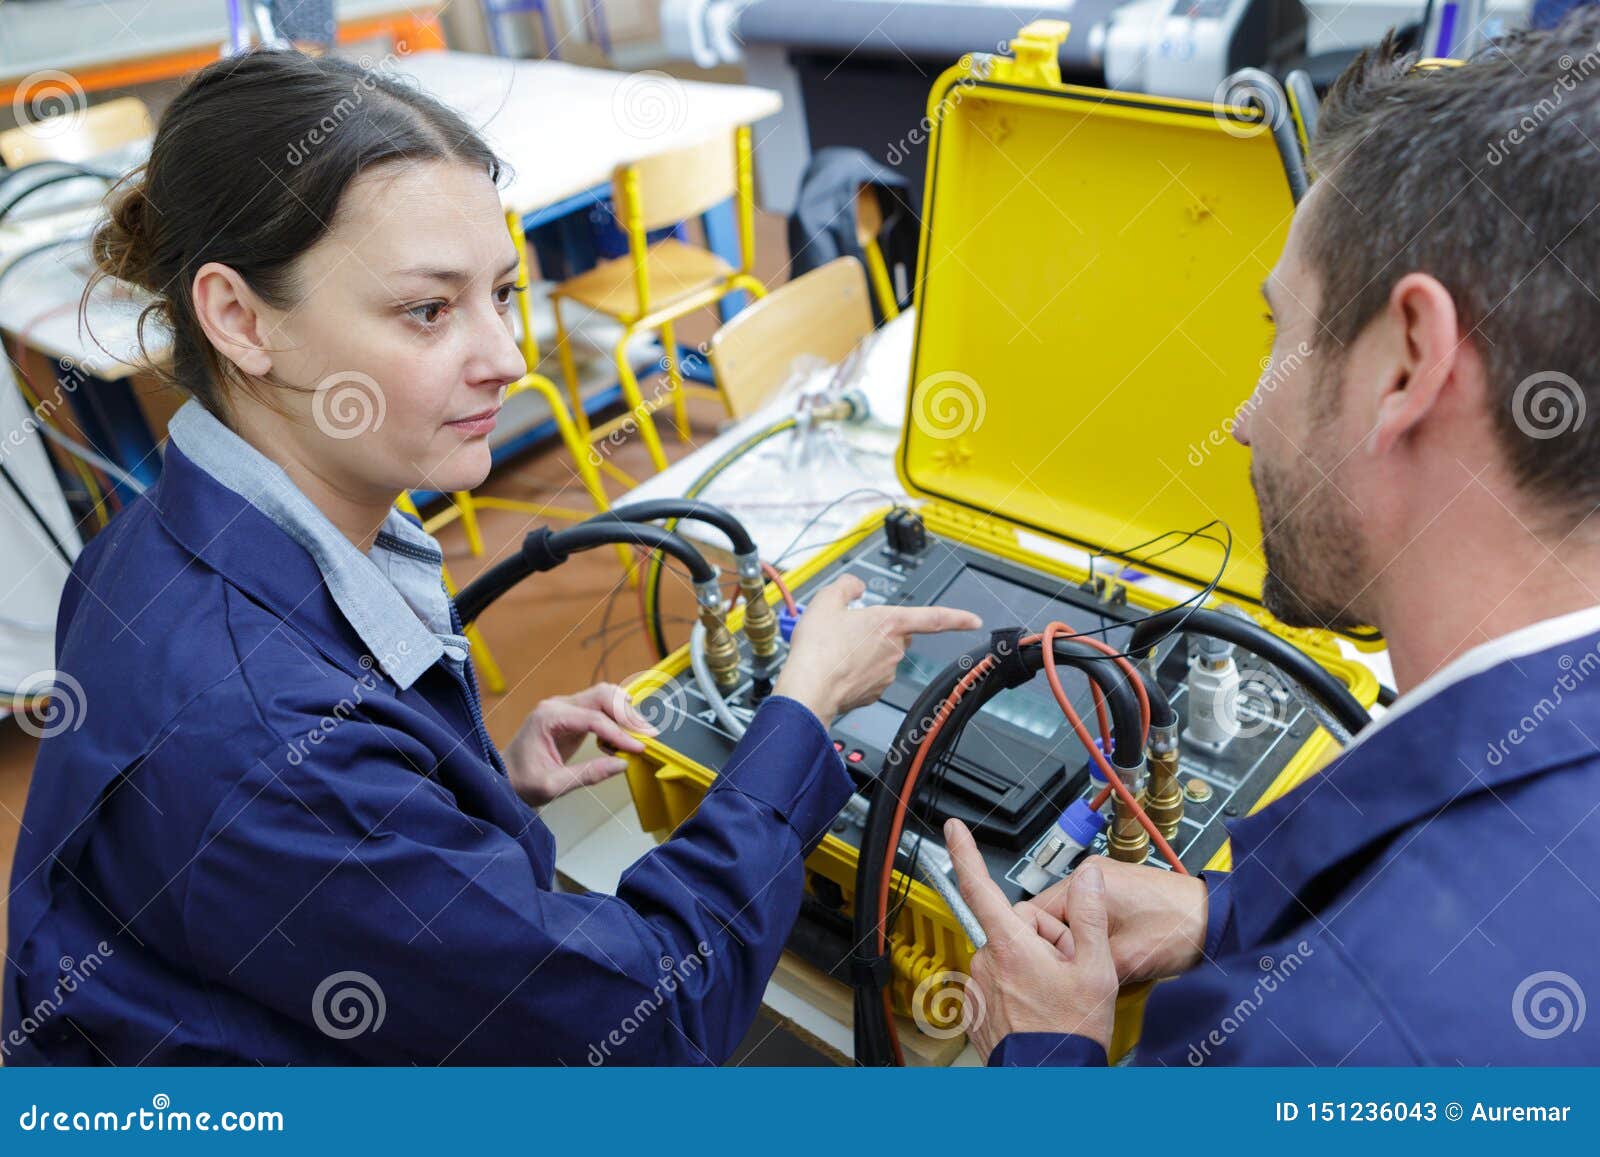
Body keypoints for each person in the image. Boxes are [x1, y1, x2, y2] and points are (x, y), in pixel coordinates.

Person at [1, 50, 979, 1065]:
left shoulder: (139, 546)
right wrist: (803, 709)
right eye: (429, 310)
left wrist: (471, 792)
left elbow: (304, 877)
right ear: (240, 320)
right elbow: (648, 1030)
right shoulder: (270, 747)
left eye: (503, 293)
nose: (508, 359)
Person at [946, 11, 1600, 1066]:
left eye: (1279, 335)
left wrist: (1043, 1052)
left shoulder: (1324, 1038)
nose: (1247, 416)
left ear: (1405, 364)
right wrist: (1226, 914)